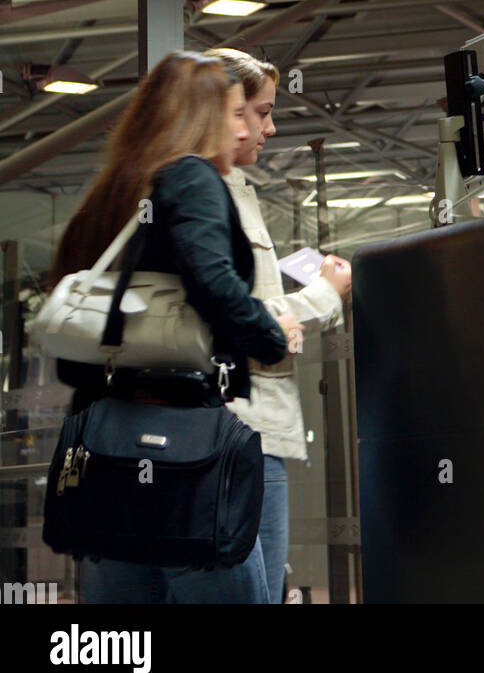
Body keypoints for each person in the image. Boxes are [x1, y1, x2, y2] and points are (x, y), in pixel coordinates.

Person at [47, 50, 302, 604]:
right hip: (183, 450)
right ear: (201, 115)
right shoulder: (190, 176)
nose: (243, 131)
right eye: (236, 113)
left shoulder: (116, 187)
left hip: (104, 446)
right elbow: (211, 278)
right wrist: (268, 333)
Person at [204, 48, 352, 603]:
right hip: (243, 429)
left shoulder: (235, 192)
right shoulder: (208, 197)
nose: (269, 126)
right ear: (224, 112)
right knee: (254, 593)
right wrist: (321, 297)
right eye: (259, 111)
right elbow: (229, 319)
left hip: (248, 428)